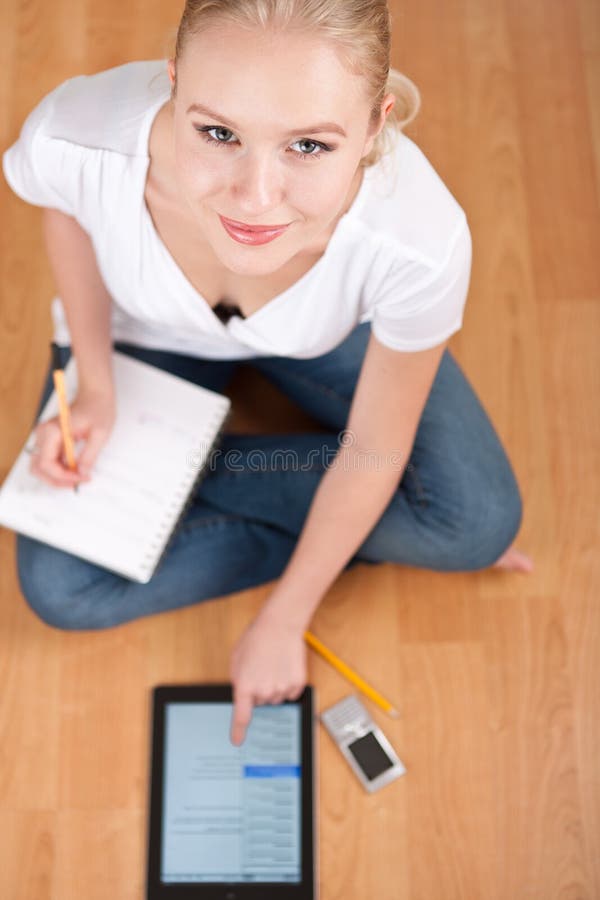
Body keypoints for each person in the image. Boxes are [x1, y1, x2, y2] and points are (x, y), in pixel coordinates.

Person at [2, 0, 533, 746]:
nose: (254, 198)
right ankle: (379, 527)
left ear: (376, 124)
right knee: (61, 590)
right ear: (175, 84)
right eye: (218, 132)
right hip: (143, 328)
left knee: (474, 523)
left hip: (325, 338)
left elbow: (378, 443)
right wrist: (96, 383)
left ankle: (174, 474)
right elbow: (65, 212)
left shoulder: (418, 243)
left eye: (309, 146)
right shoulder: (76, 138)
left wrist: (287, 617)